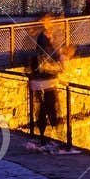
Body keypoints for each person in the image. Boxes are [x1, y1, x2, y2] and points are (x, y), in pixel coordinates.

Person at [30, 15, 64, 145]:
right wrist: (60, 58)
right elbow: (50, 56)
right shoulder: (44, 40)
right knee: (51, 108)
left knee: (42, 109)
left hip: (40, 82)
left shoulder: (43, 39)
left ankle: (43, 136)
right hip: (46, 82)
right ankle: (58, 138)